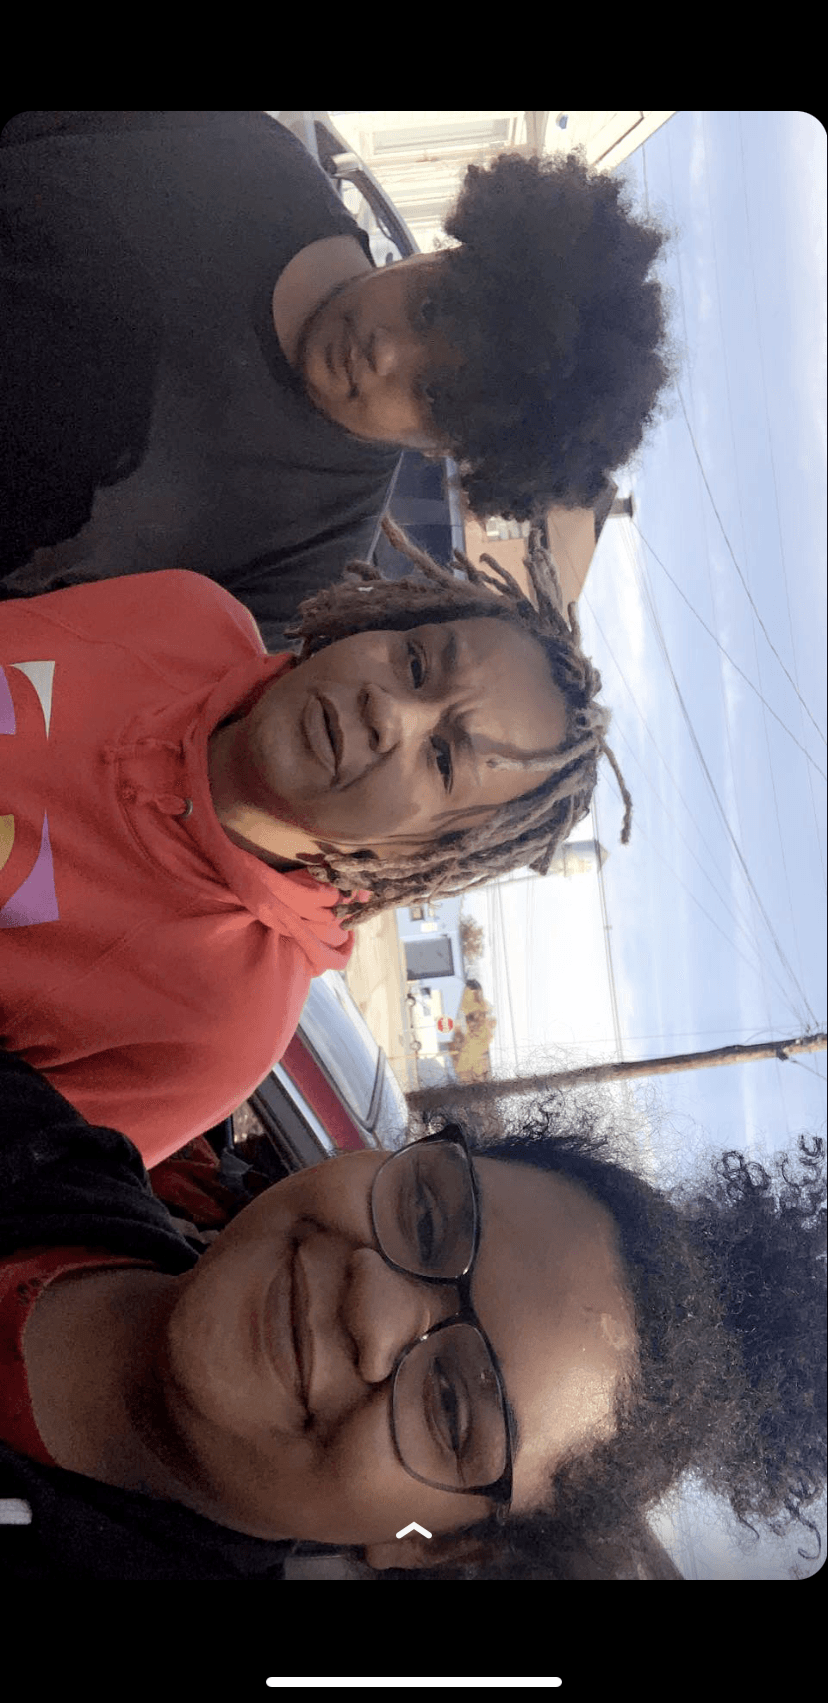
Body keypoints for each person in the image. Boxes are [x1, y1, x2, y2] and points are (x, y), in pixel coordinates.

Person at [0, 1047, 822, 1581]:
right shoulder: (33, 1128)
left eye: (451, 1408)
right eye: (428, 1219)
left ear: (433, 1542)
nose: (373, 1305)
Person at [0, 516, 631, 1171]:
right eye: (416, 662)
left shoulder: (218, 1029)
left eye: (443, 759)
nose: (389, 712)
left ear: (414, 855)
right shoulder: (189, 611)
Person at [0, 112, 680, 642]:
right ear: (447, 251)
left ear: (446, 449)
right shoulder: (247, 155)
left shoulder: (306, 565)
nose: (386, 352)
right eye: (431, 308)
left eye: (432, 394)